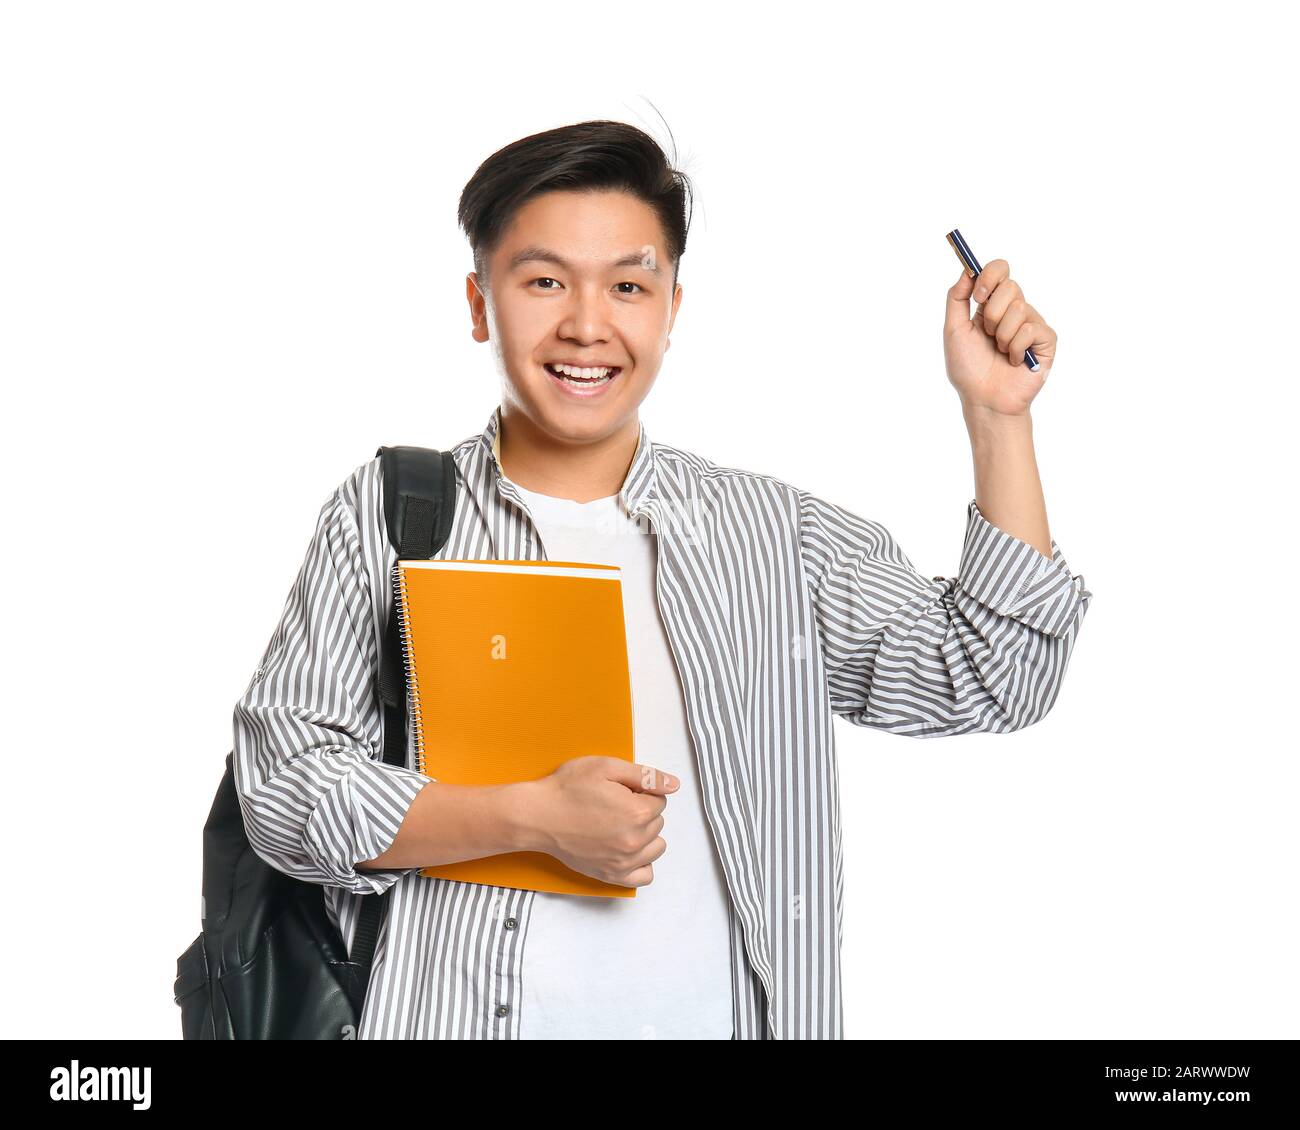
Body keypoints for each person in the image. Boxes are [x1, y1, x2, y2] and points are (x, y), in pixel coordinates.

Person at [232, 119, 1093, 1039]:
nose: (587, 325)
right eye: (545, 280)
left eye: (629, 285)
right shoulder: (392, 517)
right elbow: (284, 786)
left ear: (674, 307)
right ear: (481, 302)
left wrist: (998, 420)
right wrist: (526, 818)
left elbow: (1000, 677)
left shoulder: (771, 537)